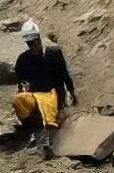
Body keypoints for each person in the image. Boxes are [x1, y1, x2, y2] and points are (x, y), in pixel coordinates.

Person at [10, 20, 77, 156]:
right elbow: (19, 80)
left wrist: (72, 93)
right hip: (35, 95)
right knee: (19, 100)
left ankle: (48, 143)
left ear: (39, 40)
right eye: (29, 43)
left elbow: (65, 75)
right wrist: (23, 88)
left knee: (48, 111)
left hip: (53, 93)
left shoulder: (55, 54)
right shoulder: (23, 59)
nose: (33, 46)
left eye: (34, 42)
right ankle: (30, 125)